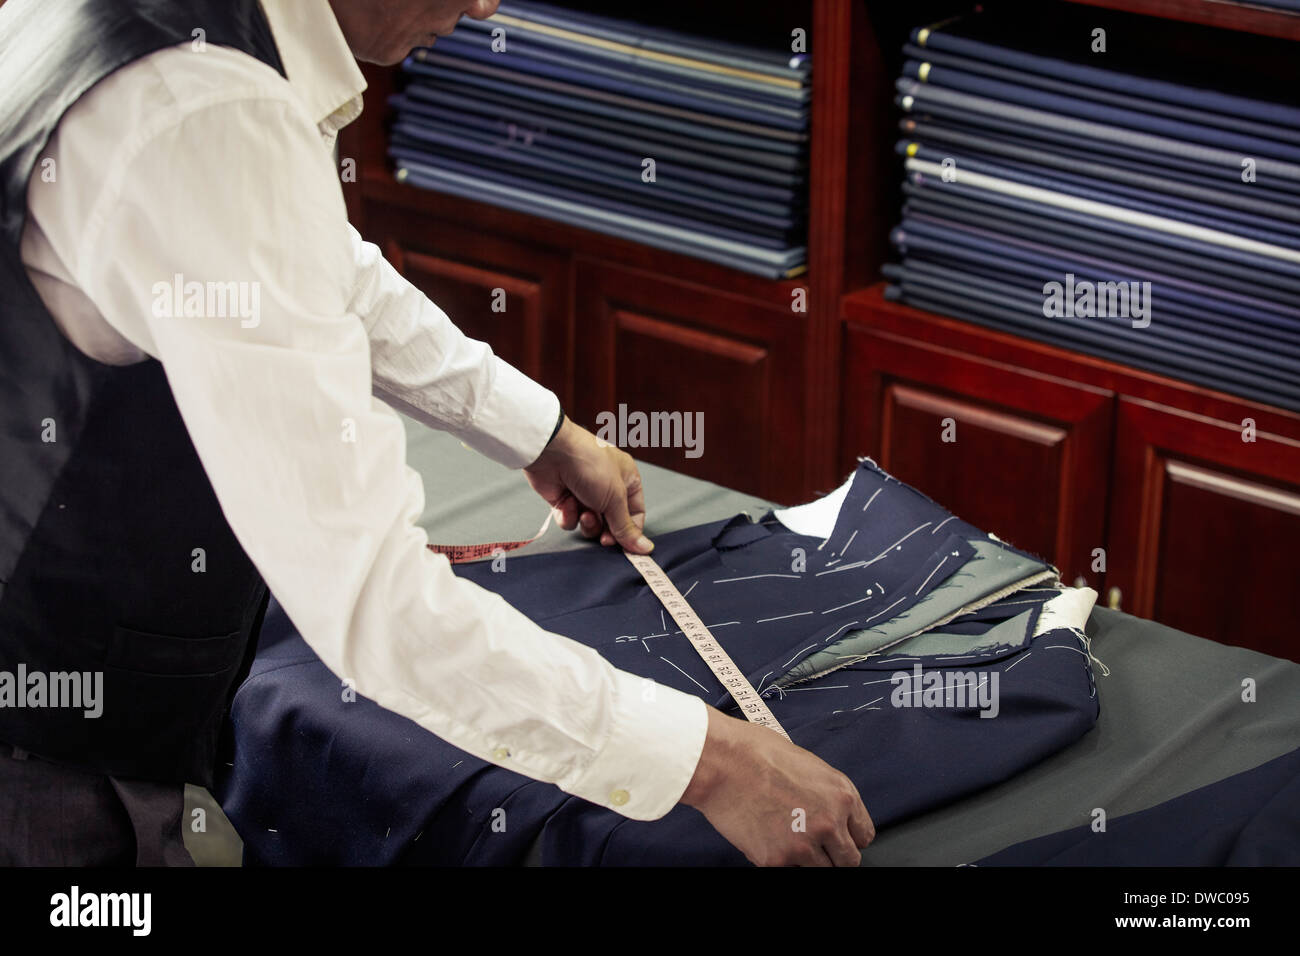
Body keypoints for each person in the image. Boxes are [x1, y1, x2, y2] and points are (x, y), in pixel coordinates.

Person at [0, 0, 873, 866]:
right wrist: (713, 763)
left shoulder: (183, 45)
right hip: (44, 764)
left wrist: (537, 429)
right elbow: (376, 603)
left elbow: (312, 263)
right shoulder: (206, 108)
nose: (487, 3)